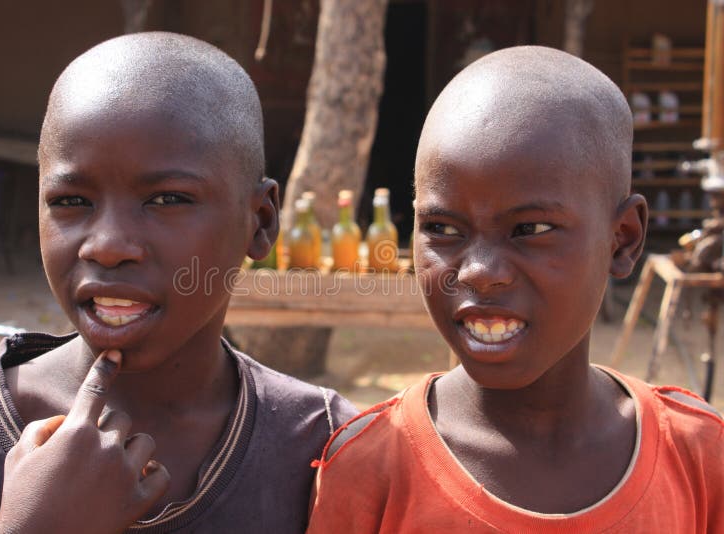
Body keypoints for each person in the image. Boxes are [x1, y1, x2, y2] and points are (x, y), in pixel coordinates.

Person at [0, 32, 356, 533]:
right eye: (71, 201)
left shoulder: (326, 446)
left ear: (259, 222)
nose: (106, 245)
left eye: (167, 200)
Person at [307, 46, 723, 532]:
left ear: (622, 240)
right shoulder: (371, 468)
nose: (479, 272)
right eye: (442, 228)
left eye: (530, 230)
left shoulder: (697, 457)